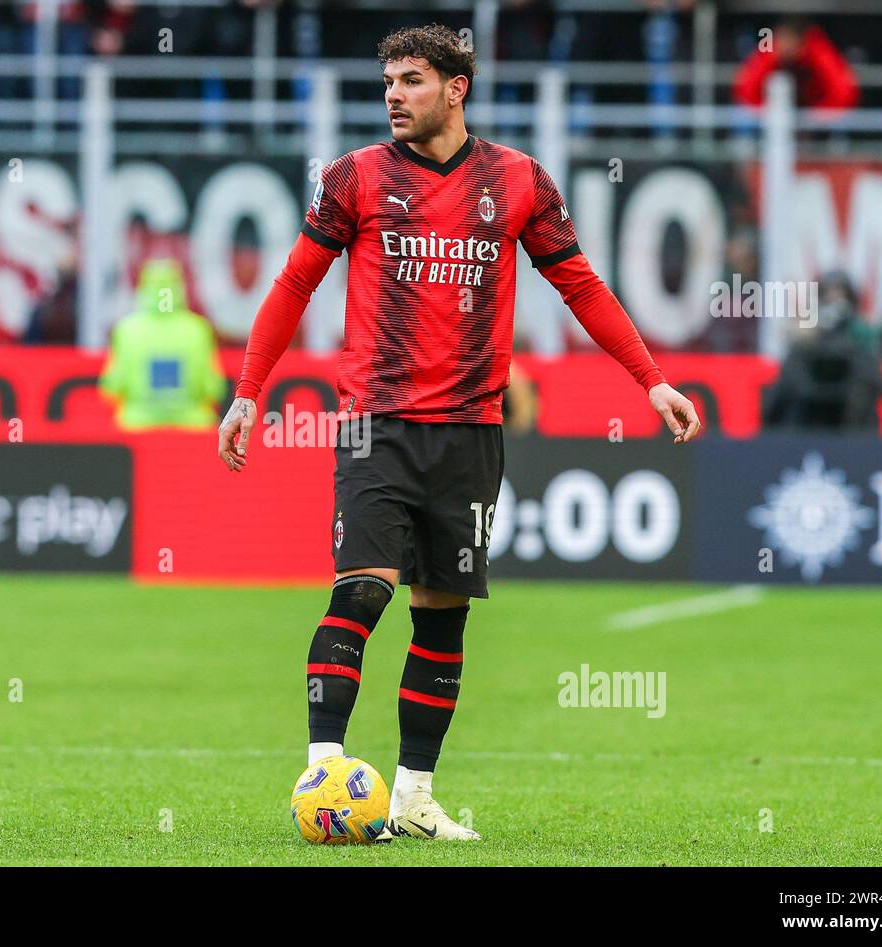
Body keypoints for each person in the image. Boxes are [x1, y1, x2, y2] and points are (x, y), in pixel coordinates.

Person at [215, 24, 700, 842]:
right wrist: (248, 391)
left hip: (473, 429)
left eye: (411, 80)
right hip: (376, 421)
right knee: (364, 588)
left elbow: (579, 284)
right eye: (388, 82)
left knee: (442, 615)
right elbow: (295, 282)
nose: (394, 96)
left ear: (455, 87)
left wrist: (651, 380)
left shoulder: (516, 182)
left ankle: (412, 797)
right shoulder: (357, 178)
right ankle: (324, 769)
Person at [101, 258, 225, 430]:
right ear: (179, 288)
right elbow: (214, 389)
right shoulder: (198, 329)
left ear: (142, 289)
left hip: (137, 424)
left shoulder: (126, 329)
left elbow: (111, 387)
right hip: (192, 426)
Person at [763, 270, 882, 432]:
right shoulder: (803, 347)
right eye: (828, 296)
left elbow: (877, 382)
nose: (834, 303)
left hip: (851, 426)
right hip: (806, 422)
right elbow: (780, 396)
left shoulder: (863, 341)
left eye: (841, 297)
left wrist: (862, 337)